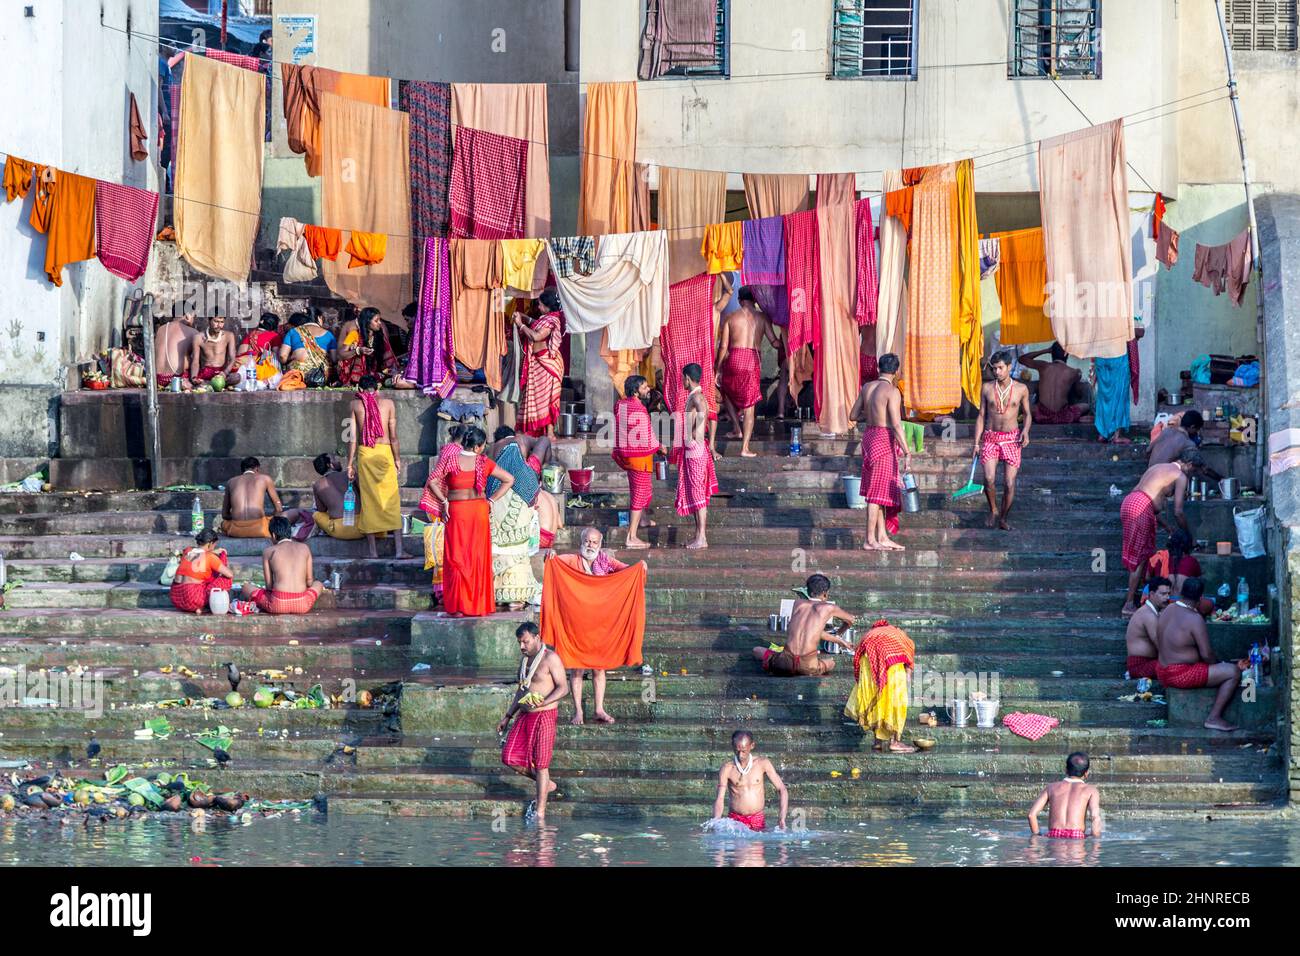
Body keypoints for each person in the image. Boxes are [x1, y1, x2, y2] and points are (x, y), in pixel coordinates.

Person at [427, 426, 515, 616]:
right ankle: (476, 606)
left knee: (457, 557)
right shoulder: (484, 462)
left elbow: (432, 481)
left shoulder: (451, 459)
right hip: (478, 512)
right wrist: (491, 500)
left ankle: (458, 607)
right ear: (477, 447)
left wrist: (444, 501)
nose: (483, 449)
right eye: (483, 446)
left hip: (457, 512)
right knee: (476, 558)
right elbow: (509, 479)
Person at [556, 528, 632, 726]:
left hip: (600, 624)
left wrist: (640, 567)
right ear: (581, 542)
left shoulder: (606, 561)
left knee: (599, 668)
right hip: (577, 623)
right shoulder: (573, 560)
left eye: (594, 542)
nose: (591, 545)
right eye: (587, 541)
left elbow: (627, 570)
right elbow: (555, 562)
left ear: (600, 543)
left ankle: (599, 709)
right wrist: (550, 555)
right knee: (578, 669)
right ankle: (578, 712)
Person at [498, 622, 570, 821]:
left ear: (537, 638)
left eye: (525, 642)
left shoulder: (550, 658)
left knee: (541, 764)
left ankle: (540, 812)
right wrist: (507, 716)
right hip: (524, 714)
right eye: (520, 643)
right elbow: (521, 690)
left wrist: (543, 702)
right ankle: (547, 784)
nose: (522, 646)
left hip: (545, 715)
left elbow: (564, 688)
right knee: (509, 756)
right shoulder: (524, 661)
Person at [1120, 449, 1201, 616]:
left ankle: (1140, 598)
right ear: (1190, 465)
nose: (1191, 475)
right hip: (1141, 509)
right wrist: (1188, 537)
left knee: (1141, 555)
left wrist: (1166, 527)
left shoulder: (1158, 467)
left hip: (1130, 503)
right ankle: (1128, 604)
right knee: (1140, 559)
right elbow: (1178, 511)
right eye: (1193, 471)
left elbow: (1145, 497)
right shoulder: (1180, 476)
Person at [1155, 578, 1241, 731]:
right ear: (1201, 598)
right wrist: (1219, 665)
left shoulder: (1167, 609)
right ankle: (1213, 718)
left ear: (1181, 593)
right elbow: (1207, 654)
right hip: (1179, 674)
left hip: (1161, 670)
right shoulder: (1195, 619)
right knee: (1233, 672)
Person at [849, 352, 910, 551]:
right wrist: (907, 451)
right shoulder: (892, 392)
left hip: (868, 438)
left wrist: (872, 414)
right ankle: (869, 539)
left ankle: (882, 537)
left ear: (878, 368)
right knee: (876, 493)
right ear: (896, 371)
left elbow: (853, 414)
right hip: (883, 440)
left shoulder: (867, 387)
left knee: (880, 490)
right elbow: (896, 424)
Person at [347, 375, 405, 559]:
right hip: (385, 453)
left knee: (369, 501)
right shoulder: (388, 404)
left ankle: (373, 552)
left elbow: (352, 438)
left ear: (360, 389)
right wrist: (397, 459)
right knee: (391, 499)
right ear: (377, 389)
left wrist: (349, 464)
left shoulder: (355, 405)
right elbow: (394, 437)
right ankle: (399, 551)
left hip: (366, 454)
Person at [974, 349, 1032, 531]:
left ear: (1009, 367)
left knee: (1009, 483)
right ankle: (993, 510)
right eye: (994, 369)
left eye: (1000, 368)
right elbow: (981, 415)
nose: (997, 372)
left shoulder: (1021, 389)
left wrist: (1026, 431)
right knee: (989, 478)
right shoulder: (986, 388)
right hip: (990, 438)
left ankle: (1004, 518)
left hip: (1012, 439)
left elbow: (1028, 414)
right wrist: (976, 442)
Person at [485, 428, 544, 610]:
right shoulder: (521, 440)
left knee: (499, 545)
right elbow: (543, 441)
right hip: (521, 490)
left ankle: (498, 594)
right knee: (518, 547)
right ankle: (515, 598)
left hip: (496, 491)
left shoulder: (491, 449)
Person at [752, 574, 856, 676]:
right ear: (825, 594)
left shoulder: (798, 604)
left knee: (757, 650)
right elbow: (851, 620)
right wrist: (839, 633)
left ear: (808, 591)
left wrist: (840, 641)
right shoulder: (829, 608)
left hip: (784, 663)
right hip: (808, 666)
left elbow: (811, 631)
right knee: (831, 663)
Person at [716, 284, 776, 458]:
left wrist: (717, 368)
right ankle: (745, 448)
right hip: (752, 359)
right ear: (755, 300)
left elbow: (723, 347)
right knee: (750, 406)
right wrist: (786, 346)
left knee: (725, 392)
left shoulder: (730, 317)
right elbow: (773, 342)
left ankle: (736, 428)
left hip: (734, 357)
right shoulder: (762, 318)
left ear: (740, 300)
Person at [845, 618, 917, 753]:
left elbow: (857, 654)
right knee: (897, 700)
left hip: (868, 661)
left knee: (877, 698)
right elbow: (910, 650)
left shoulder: (870, 633)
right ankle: (895, 742)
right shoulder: (899, 634)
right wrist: (908, 674)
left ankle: (877, 741)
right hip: (890, 660)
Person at [613, 375, 666, 550]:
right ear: (635, 392)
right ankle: (631, 536)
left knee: (639, 489)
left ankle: (642, 519)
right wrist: (659, 446)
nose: (648, 389)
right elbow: (644, 434)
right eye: (644, 387)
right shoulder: (638, 409)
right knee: (639, 494)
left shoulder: (621, 405)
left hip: (628, 455)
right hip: (639, 459)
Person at [675, 363, 719, 550]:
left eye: (683, 379)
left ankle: (702, 538)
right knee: (694, 492)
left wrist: (695, 434)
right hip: (693, 448)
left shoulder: (698, 397)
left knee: (698, 492)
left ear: (687, 378)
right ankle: (697, 536)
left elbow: (704, 412)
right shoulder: (694, 396)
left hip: (696, 449)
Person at [710, 730, 788, 832]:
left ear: (752, 746)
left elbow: (782, 789)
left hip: (757, 819)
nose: (740, 755)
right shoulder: (727, 769)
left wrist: (781, 818)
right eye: (737, 751)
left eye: (743, 751)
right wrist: (716, 820)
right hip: (735, 821)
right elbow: (720, 799)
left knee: (756, 846)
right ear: (732, 746)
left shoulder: (762, 763)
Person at [245, 516, 325, 615]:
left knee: (246, 587)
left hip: (277, 605)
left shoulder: (268, 551)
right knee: (318, 584)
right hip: (302, 604)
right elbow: (309, 582)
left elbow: (269, 586)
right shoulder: (305, 548)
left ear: (273, 535)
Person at [514, 289, 565, 438]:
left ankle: (549, 433)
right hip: (538, 363)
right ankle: (534, 432)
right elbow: (536, 324)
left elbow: (536, 336)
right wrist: (524, 318)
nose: (539, 308)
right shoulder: (546, 318)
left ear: (548, 307)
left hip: (547, 365)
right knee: (536, 399)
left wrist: (520, 325)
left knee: (547, 399)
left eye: (541, 305)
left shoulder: (552, 320)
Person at [1027, 752, 1103, 838]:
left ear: (1066, 770)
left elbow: (1031, 815)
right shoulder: (1091, 790)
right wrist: (1095, 842)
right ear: (1086, 773)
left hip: (1054, 834)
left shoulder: (1051, 787)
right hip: (1076, 835)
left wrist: (1037, 836)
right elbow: (1095, 817)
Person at [221, 457, 297, 538]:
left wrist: (239, 517)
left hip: (236, 530)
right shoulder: (265, 479)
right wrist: (268, 519)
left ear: (242, 470)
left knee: (223, 524)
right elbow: (279, 509)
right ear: (257, 468)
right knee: (292, 514)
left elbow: (225, 515)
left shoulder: (231, 482)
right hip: (260, 529)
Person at [1020, 342, 1091, 424]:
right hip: (1063, 416)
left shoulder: (1043, 366)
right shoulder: (1074, 372)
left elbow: (1022, 359)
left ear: (1051, 353)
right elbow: (1079, 393)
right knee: (1086, 406)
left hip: (1041, 416)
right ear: (1066, 354)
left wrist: (1045, 350)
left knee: (1024, 407)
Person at [169, 528, 235, 613]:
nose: (214, 547)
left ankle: (196, 608)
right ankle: (199, 606)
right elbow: (230, 574)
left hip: (176, 598)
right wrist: (222, 558)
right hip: (193, 597)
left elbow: (198, 552)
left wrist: (213, 551)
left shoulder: (188, 551)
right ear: (210, 543)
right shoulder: (210, 557)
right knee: (227, 579)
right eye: (214, 545)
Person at [336, 307, 404, 387]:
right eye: (376, 321)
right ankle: (356, 381)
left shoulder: (380, 336)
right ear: (367, 322)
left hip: (374, 372)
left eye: (379, 320)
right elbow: (341, 354)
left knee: (389, 380)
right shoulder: (354, 334)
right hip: (356, 373)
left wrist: (394, 371)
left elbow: (387, 356)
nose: (379, 323)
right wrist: (357, 351)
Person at [1125, 575, 1171, 681]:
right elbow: (1160, 645)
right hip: (1140, 666)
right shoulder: (1148, 615)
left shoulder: (1152, 612)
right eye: (1163, 594)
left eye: (1169, 594)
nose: (1167, 598)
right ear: (1152, 594)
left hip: (1151, 662)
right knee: (1178, 667)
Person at [310, 453, 364, 541]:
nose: (338, 461)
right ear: (330, 465)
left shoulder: (318, 485)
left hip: (341, 530)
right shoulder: (349, 474)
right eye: (334, 459)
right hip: (363, 527)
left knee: (316, 515)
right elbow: (364, 494)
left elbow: (321, 510)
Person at [278, 311, 336, 386]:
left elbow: (282, 356)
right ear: (319, 318)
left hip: (299, 376)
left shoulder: (293, 332)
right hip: (322, 377)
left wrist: (292, 357)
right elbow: (334, 359)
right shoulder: (328, 334)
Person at [153, 311, 198, 390]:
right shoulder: (193, 332)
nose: (194, 320)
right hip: (177, 380)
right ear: (188, 315)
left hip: (158, 380)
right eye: (194, 317)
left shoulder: (160, 329)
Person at [188, 315, 238, 383]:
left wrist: (225, 373)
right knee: (192, 381)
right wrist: (194, 377)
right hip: (206, 373)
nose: (219, 325)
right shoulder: (198, 338)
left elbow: (232, 358)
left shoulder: (229, 336)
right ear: (209, 321)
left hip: (222, 373)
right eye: (216, 321)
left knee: (237, 377)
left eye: (222, 322)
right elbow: (195, 361)